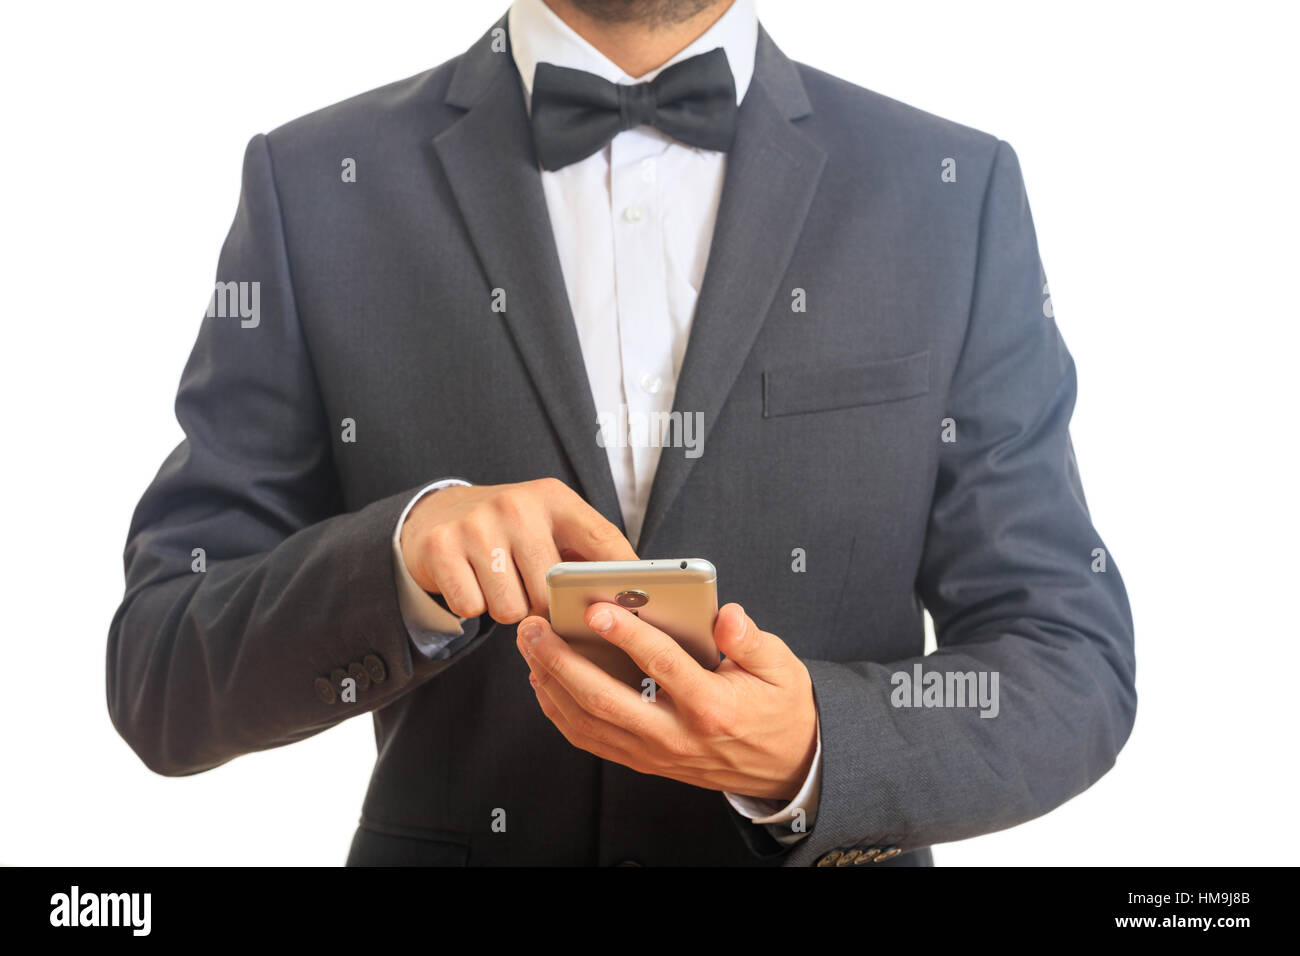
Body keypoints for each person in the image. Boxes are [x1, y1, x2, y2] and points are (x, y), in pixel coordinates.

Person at [107, 0, 1136, 866]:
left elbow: (1069, 660)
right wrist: (399, 559)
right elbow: (160, 669)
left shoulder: (950, 192)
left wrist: (819, 745)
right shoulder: (314, 183)